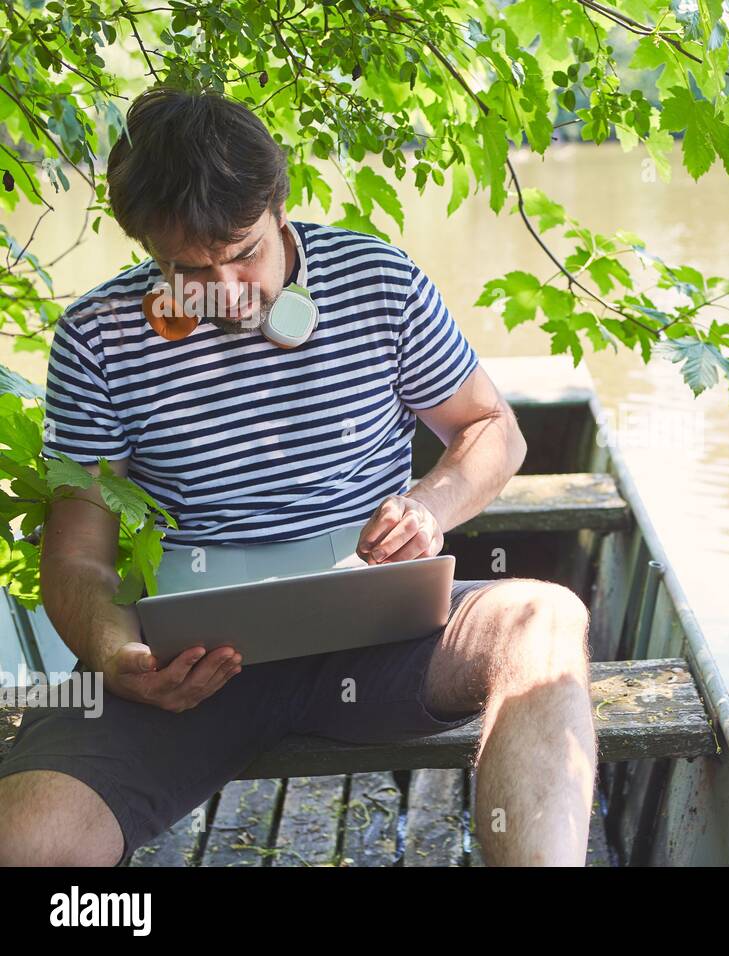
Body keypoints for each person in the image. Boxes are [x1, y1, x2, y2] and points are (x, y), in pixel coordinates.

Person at [0, 88, 597, 866]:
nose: (227, 290)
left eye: (243, 251)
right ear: (143, 243)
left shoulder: (378, 280)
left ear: (279, 208)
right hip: (189, 667)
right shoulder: (97, 338)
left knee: (544, 619)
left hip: (384, 637)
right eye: (187, 268)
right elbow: (78, 552)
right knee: (22, 839)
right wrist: (117, 655)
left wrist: (429, 505)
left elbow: (491, 428)